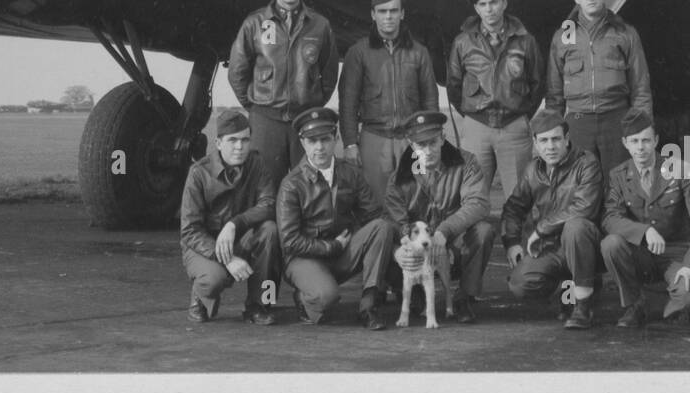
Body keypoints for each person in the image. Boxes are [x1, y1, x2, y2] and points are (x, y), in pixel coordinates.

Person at [276, 107, 398, 329]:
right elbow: (289, 242)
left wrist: (402, 243)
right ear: (303, 143)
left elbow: (374, 215)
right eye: (312, 141)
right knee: (326, 299)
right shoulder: (291, 184)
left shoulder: (350, 172)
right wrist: (330, 247)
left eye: (325, 139)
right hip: (304, 258)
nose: (319, 147)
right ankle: (304, 297)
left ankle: (368, 306)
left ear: (336, 138)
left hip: (341, 252)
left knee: (381, 227)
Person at [227, 0, 339, 181]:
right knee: (264, 188)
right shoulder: (254, 23)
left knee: (309, 189)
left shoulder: (320, 26)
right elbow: (237, 72)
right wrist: (257, 107)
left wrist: (311, 103)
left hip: (305, 121)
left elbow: (329, 75)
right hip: (266, 121)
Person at [600, 113, 690, 327]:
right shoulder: (618, 175)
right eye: (634, 141)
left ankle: (671, 310)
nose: (640, 147)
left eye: (646, 140)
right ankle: (634, 305)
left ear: (655, 141)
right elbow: (610, 217)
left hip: (675, 255)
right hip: (641, 252)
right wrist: (643, 231)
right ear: (625, 143)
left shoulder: (680, 170)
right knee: (611, 244)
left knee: (689, 291)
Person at [384, 110, 493, 323]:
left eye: (433, 142)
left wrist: (445, 231)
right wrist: (401, 249)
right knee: (383, 234)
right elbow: (393, 218)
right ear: (411, 144)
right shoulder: (399, 176)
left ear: (443, 138)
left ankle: (464, 298)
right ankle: (413, 293)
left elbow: (478, 203)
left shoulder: (466, 162)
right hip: (415, 248)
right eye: (421, 144)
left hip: (452, 242)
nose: (428, 150)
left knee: (483, 231)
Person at [446, 0, 545, 206]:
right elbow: (453, 85)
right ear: (476, 9)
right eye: (482, 4)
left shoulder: (525, 41)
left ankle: (516, 243)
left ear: (504, 3)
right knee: (471, 198)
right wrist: (472, 118)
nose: (489, 9)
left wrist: (520, 117)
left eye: (493, 2)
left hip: (513, 127)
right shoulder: (462, 42)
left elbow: (538, 83)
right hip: (477, 128)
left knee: (519, 201)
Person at [546, 0, 653, 179]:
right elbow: (554, 93)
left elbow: (640, 86)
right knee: (580, 187)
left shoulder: (625, 33)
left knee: (618, 186)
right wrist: (552, 131)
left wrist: (642, 128)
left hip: (616, 120)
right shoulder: (562, 37)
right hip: (578, 123)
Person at [338, 0, 440, 206]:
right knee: (375, 203)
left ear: (402, 13)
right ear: (373, 15)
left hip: (411, 140)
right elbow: (348, 102)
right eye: (382, 11)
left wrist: (429, 139)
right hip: (375, 138)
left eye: (394, 11)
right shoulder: (358, 52)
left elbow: (430, 100)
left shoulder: (419, 52)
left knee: (415, 202)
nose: (388, 17)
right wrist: (349, 143)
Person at [501, 111, 604, 329]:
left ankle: (583, 306)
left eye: (556, 139)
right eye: (544, 140)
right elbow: (513, 207)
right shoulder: (533, 170)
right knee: (520, 284)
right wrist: (511, 242)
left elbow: (584, 208)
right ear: (535, 143)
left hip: (585, 244)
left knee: (575, 226)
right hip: (551, 248)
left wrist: (540, 229)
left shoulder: (586, 163)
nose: (551, 146)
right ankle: (568, 289)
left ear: (567, 139)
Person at [179, 108, 279, 325]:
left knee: (270, 230)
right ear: (218, 143)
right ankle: (199, 298)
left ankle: (257, 306)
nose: (239, 147)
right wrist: (227, 259)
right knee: (214, 280)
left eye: (245, 140)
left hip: (240, 238)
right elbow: (189, 230)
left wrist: (235, 223)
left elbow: (269, 203)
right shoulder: (199, 173)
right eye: (232, 140)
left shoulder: (256, 164)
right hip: (204, 246)